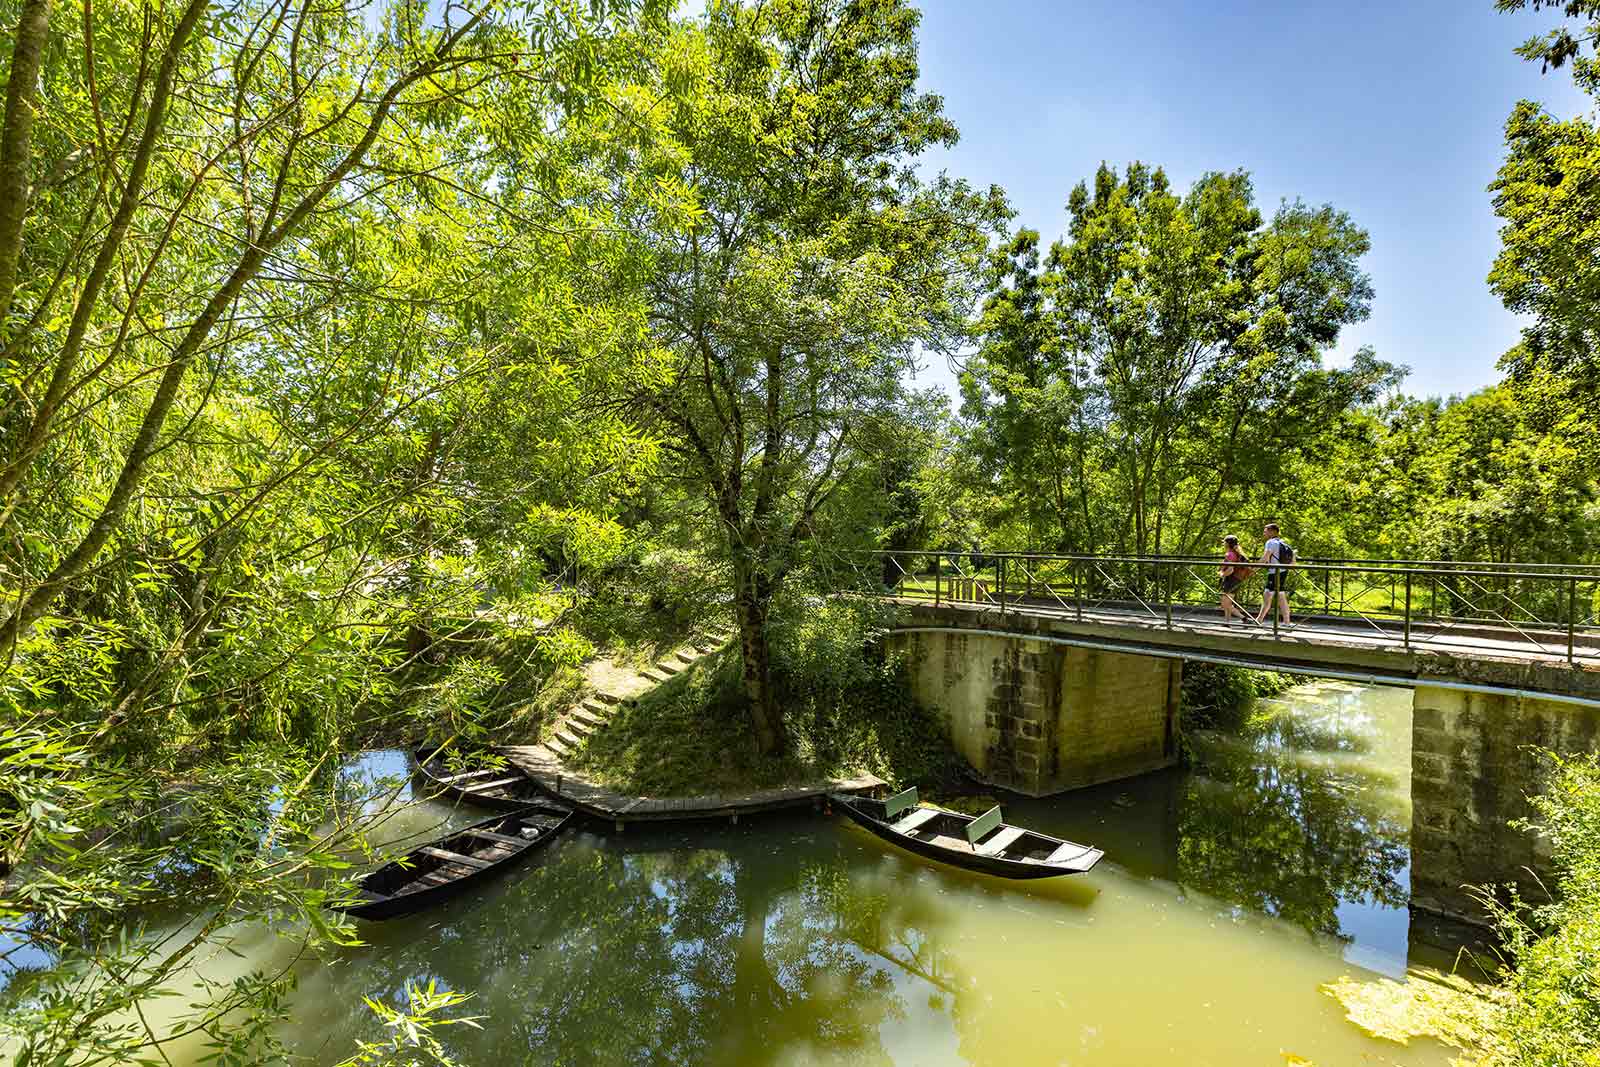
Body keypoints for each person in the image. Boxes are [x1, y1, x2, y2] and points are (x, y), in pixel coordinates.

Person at [1256, 522, 1292, 627]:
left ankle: (1259, 620)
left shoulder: (1270, 542)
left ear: (1272, 532)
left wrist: (1254, 567)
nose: (1264, 533)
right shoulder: (1283, 542)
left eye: (1265, 531)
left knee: (1268, 595)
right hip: (1283, 571)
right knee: (1280, 596)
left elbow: (1265, 558)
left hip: (1275, 572)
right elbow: (1292, 559)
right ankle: (1286, 622)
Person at [1218, 535, 1251, 625]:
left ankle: (1244, 618)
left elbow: (1230, 569)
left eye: (1224, 542)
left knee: (1225, 604)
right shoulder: (1237, 553)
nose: (1223, 544)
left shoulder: (1230, 554)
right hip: (1237, 579)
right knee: (1227, 603)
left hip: (1231, 580)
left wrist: (1221, 574)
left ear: (1228, 544)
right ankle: (1227, 622)